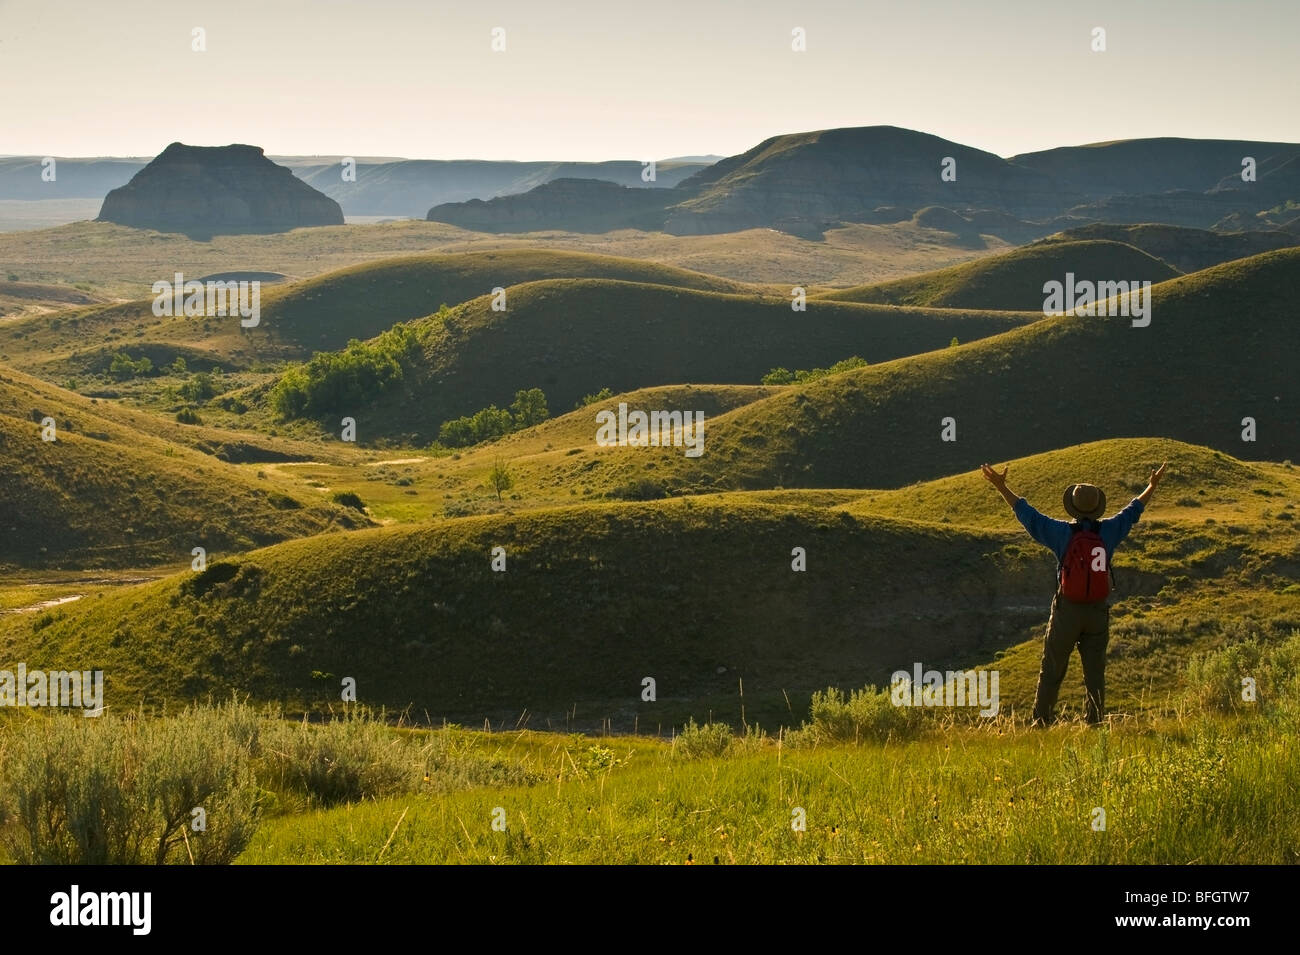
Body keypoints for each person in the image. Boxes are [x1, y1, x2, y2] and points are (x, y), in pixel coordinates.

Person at [980, 461, 1167, 726]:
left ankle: (1041, 722)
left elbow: (1028, 515)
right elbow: (1133, 511)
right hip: (1097, 611)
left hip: (1067, 610)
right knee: (1094, 673)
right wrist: (1151, 485)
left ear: (1073, 507)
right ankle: (1094, 723)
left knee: (1052, 668)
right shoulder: (1110, 530)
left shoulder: (1062, 533)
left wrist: (1001, 486)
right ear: (1097, 507)